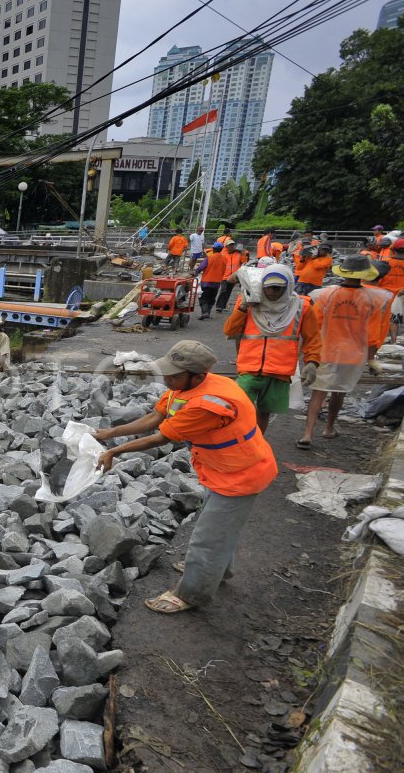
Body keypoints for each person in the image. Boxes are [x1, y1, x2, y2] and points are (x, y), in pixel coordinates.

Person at [95, 340, 277, 614]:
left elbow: (158, 438)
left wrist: (114, 452)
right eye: (166, 371)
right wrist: (109, 435)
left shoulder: (207, 404)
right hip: (220, 469)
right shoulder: (184, 387)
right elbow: (153, 418)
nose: (166, 378)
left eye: (173, 374)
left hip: (241, 475)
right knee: (217, 526)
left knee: (207, 538)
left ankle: (191, 594)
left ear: (198, 375)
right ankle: (217, 569)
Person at [298, 254, 392, 449]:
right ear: (365, 274)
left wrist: (307, 351)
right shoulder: (373, 298)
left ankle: (307, 434)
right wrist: (371, 358)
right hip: (353, 354)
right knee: (338, 393)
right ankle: (329, 428)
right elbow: (373, 333)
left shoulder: (326, 294)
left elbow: (314, 325)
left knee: (318, 393)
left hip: (326, 350)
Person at [223, 265, 321, 433]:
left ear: (288, 286)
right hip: (249, 368)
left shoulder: (300, 307)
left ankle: (257, 442)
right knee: (238, 407)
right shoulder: (248, 302)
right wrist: (244, 307)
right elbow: (230, 331)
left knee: (264, 412)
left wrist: (312, 362)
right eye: (269, 287)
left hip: (279, 370)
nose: (272, 292)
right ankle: (239, 439)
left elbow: (313, 338)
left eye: (278, 288)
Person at [195, 242, 227, 320]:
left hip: (206, 281)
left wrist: (195, 273)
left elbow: (200, 267)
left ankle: (205, 312)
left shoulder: (209, 258)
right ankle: (208, 312)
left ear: (213, 249)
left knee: (203, 297)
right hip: (217, 282)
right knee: (212, 298)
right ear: (221, 249)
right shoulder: (224, 259)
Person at [213, 241, 245, 313]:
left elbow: (244, 261)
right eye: (230, 245)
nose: (232, 247)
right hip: (224, 276)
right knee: (223, 290)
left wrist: (243, 254)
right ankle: (219, 306)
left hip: (234, 276)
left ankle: (223, 306)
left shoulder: (238, 254)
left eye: (233, 245)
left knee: (228, 292)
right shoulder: (223, 254)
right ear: (226, 247)